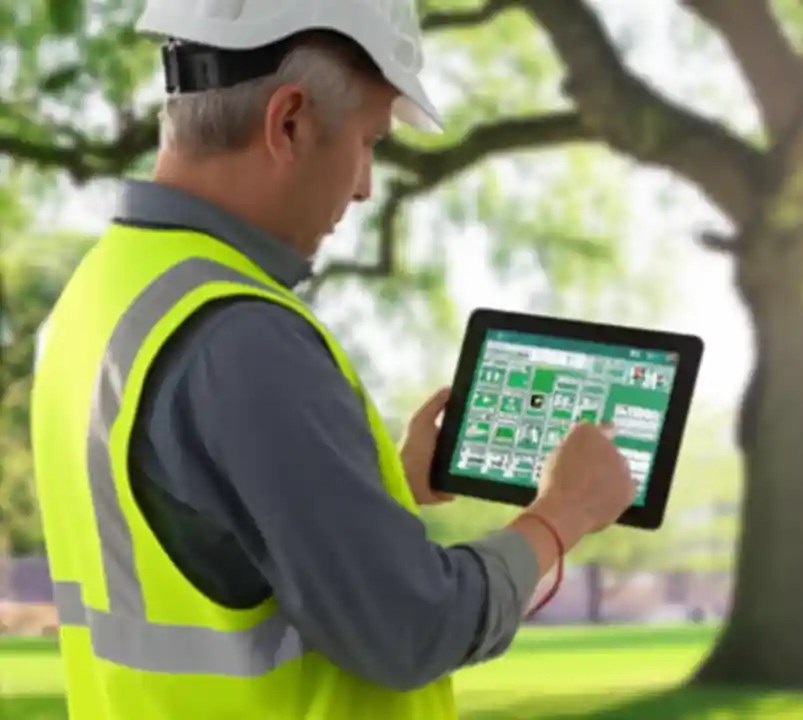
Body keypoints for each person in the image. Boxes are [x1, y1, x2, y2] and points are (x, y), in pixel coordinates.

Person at [28, 1, 636, 718]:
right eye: (369, 139)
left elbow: (196, 531)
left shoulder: (104, 292)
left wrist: (371, 487)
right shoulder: (242, 338)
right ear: (289, 122)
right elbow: (413, 627)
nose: (364, 186)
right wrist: (563, 515)